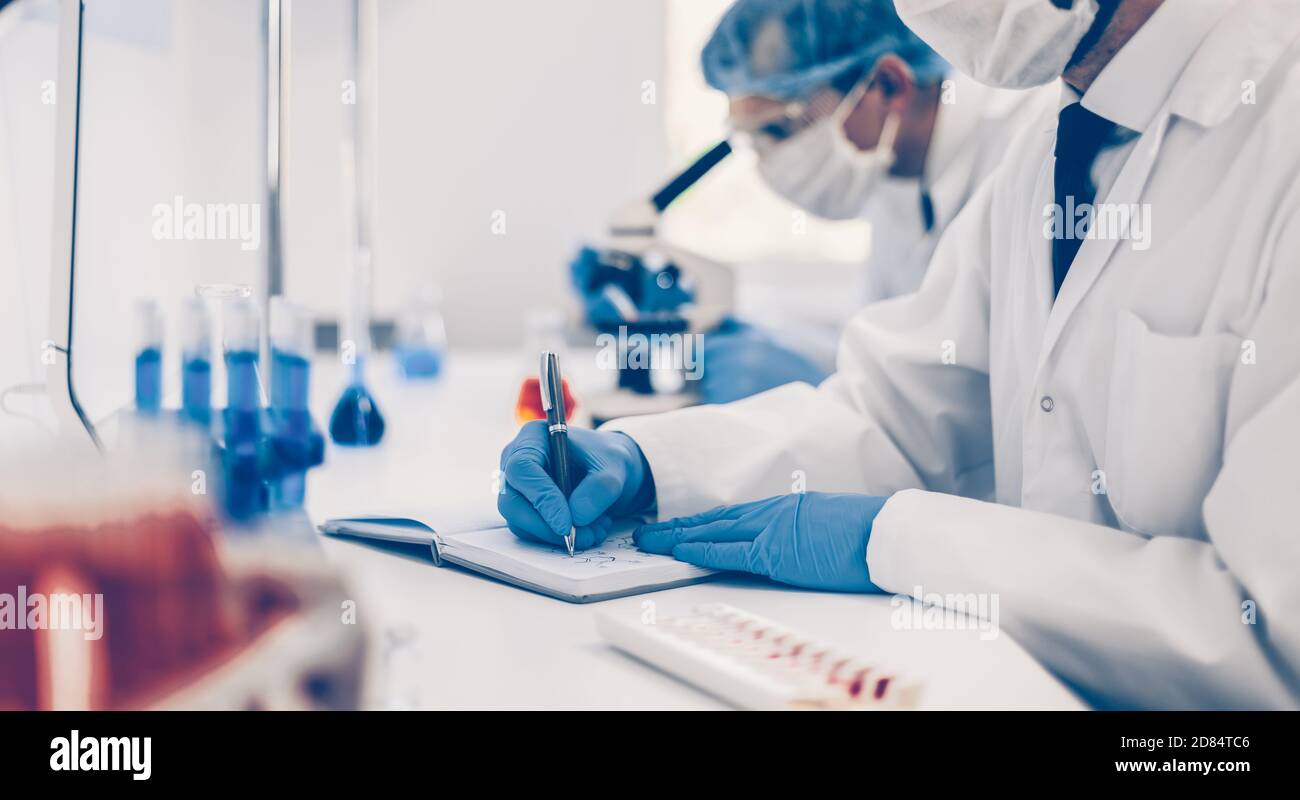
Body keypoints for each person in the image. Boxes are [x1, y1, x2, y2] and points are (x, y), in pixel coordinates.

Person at [500, 0, 1300, 709]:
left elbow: (1268, 635)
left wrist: (899, 539)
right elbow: (894, 413)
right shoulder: (1053, 151)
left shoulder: (1279, 128)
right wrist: (648, 463)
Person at [696, 0, 1056, 403]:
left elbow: (973, 396)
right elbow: (893, 347)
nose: (770, 160)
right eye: (753, 137)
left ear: (888, 85)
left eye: (780, 128)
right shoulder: (892, 173)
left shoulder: (1029, 149)